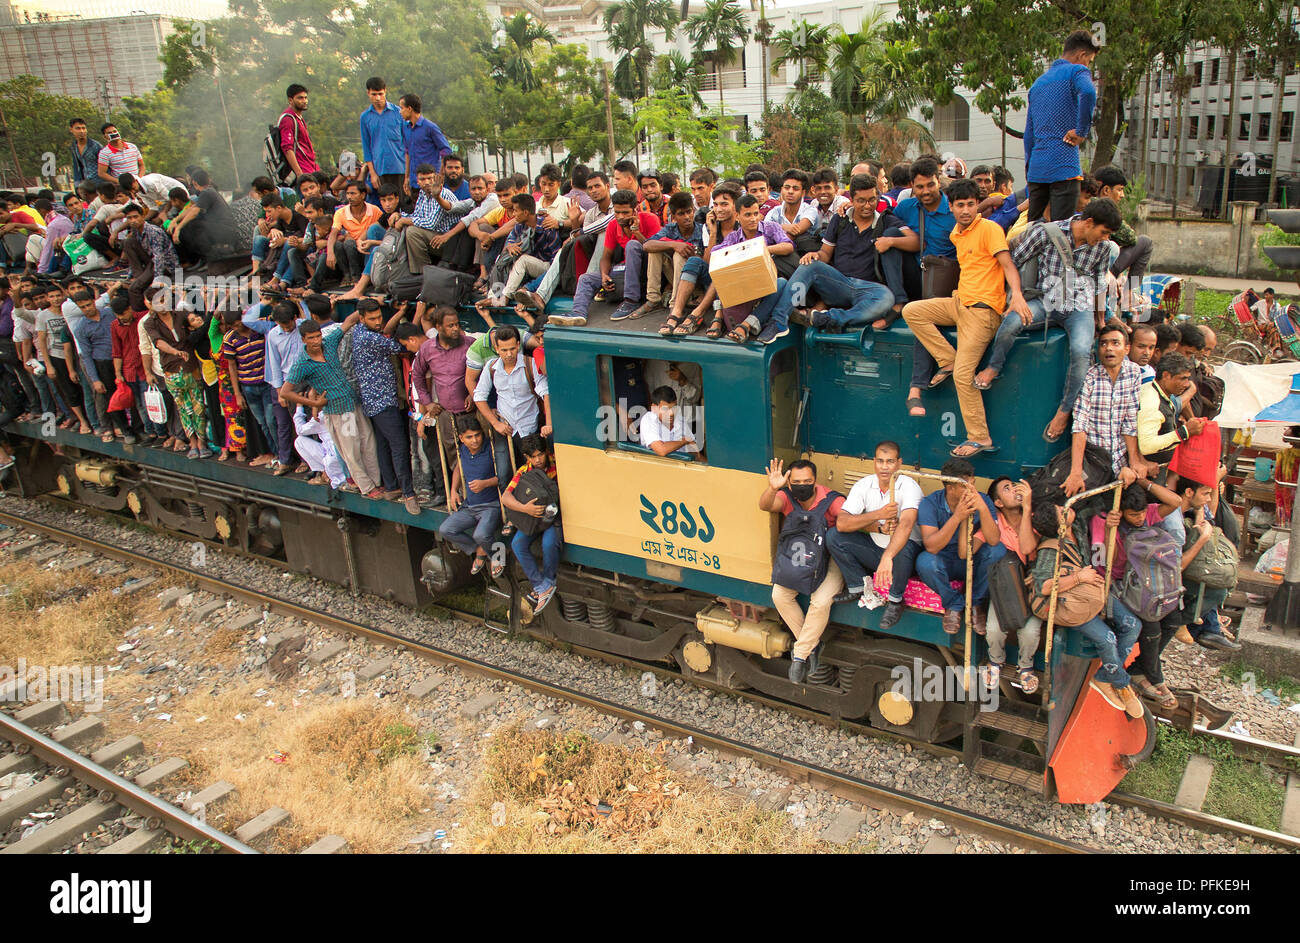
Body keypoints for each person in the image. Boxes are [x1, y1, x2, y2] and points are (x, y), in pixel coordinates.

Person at [902, 179, 1032, 455]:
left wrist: (1017, 296)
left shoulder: (989, 229)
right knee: (912, 311)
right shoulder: (956, 234)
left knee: (963, 376)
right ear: (951, 207)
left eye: (971, 205)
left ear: (977, 206)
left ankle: (980, 437)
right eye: (960, 205)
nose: (966, 210)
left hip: (983, 312)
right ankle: (946, 360)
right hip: (958, 303)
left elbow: (1007, 264)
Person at [974, 197, 1120, 442]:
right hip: (1045, 302)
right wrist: (1016, 297)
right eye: (1103, 232)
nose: (1105, 239)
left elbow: (1098, 283)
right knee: (1011, 323)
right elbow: (1012, 261)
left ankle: (1064, 411)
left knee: (1082, 350)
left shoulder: (1103, 248)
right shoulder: (1046, 233)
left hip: (1079, 308)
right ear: (1089, 222)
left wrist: (1101, 318)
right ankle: (993, 367)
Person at [1029, 499, 1144, 717]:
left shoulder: (1077, 526)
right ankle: (1121, 684)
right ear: (1060, 526)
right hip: (1074, 603)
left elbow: (1094, 507)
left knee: (1132, 625)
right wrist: (1079, 577)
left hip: (1092, 591)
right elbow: (1042, 586)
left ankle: (1103, 677)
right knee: (1107, 639)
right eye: (1062, 510)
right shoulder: (1050, 549)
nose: (1066, 508)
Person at [768, 173, 902, 337]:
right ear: (851, 200)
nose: (867, 205)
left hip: (868, 288)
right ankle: (778, 321)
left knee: (886, 298)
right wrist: (815, 255)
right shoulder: (840, 219)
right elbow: (825, 253)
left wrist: (891, 241)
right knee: (809, 265)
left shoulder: (886, 220)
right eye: (861, 200)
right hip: (839, 283)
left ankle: (823, 318)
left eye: (872, 200)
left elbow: (915, 241)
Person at [758, 458, 845, 683]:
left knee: (821, 601)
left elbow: (848, 520)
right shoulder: (787, 497)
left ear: (815, 480)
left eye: (807, 481)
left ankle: (800, 656)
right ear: (789, 483)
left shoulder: (832, 500)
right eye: (797, 481)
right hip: (801, 558)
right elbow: (765, 505)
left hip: (830, 560)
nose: (802, 485)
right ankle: (813, 646)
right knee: (779, 594)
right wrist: (772, 488)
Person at [825, 440, 923, 630]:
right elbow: (842, 523)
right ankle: (858, 586)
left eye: (890, 461)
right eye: (880, 461)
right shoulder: (865, 484)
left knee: (905, 549)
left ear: (899, 463)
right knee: (834, 536)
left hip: (903, 557)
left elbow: (907, 524)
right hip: (876, 549)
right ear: (874, 462)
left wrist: (888, 556)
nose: (884, 467)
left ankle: (895, 601)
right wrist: (879, 516)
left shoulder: (909, 486)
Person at [280, 319, 384, 496]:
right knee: (352, 451)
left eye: (318, 336)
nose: (316, 341)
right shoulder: (301, 363)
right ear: (303, 339)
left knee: (368, 443)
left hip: (353, 402)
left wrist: (362, 307)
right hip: (338, 410)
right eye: (311, 338)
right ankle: (367, 487)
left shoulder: (329, 343)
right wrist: (314, 404)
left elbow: (348, 323)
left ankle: (375, 482)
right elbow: (285, 392)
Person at [915, 457, 1005, 635]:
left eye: (973, 483)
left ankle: (975, 603)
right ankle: (954, 605)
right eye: (966, 485)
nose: (972, 489)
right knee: (925, 562)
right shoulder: (930, 504)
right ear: (951, 488)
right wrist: (957, 517)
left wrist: (983, 509)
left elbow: (994, 540)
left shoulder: (983, 499)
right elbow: (931, 546)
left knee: (997, 551)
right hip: (944, 560)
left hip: (972, 559)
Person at [548, 189, 662, 327]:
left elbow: (656, 250)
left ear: (635, 210)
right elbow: (605, 257)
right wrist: (603, 276)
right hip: (626, 272)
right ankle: (578, 313)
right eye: (617, 212)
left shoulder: (650, 219)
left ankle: (631, 301)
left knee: (632, 245)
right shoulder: (613, 225)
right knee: (586, 278)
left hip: (648, 274)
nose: (620, 217)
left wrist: (636, 233)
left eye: (625, 213)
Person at [348, 298, 419, 514]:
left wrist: (400, 312)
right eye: (373, 319)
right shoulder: (370, 338)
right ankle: (408, 493)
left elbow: (385, 331)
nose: (378, 322)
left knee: (383, 443)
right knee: (399, 445)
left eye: (379, 317)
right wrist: (414, 316)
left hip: (372, 400)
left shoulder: (359, 331)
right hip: (383, 399)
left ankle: (391, 486)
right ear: (362, 318)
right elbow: (406, 344)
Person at [1066, 320, 1150, 494]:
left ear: (1126, 349)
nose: (1109, 348)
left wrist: (1134, 460)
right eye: (1103, 344)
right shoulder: (1090, 376)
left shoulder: (1134, 373)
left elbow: (1130, 421)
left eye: (1115, 343)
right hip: (1095, 461)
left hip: (1120, 462)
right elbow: (1080, 426)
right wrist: (1076, 473)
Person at [1024, 31, 1099, 223]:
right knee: (1061, 232)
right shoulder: (1077, 71)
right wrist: (1081, 132)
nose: (1088, 65)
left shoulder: (1038, 84)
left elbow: (1029, 135)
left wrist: (1030, 168)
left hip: (1037, 169)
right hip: (1064, 167)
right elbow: (1089, 92)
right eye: (1089, 61)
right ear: (1081, 55)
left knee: (1033, 230)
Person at [657, 181, 742, 337]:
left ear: (735, 206)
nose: (719, 209)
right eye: (715, 205)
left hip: (735, 280)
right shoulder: (708, 227)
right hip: (713, 277)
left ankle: (699, 314)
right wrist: (714, 233)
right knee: (694, 261)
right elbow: (708, 262)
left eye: (724, 204)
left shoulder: (742, 226)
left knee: (723, 268)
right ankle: (676, 312)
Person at [706, 193, 792, 344]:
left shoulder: (770, 227)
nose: (753, 218)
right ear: (737, 216)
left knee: (782, 283)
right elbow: (715, 254)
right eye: (747, 215)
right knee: (723, 271)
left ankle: (746, 325)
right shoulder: (733, 237)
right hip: (743, 286)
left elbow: (788, 246)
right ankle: (718, 316)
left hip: (765, 283)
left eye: (755, 213)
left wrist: (761, 249)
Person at [982, 477, 1042, 691]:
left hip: (1033, 585)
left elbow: (1028, 548)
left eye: (1015, 486)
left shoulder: (1034, 516)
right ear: (998, 502)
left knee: (1030, 632)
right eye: (1007, 489)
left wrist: (1027, 508)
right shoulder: (995, 521)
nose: (1015, 490)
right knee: (993, 630)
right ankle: (995, 660)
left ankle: (1025, 667)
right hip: (1005, 588)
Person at [473, 324, 551, 481]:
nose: (509, 354)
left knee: (533, 474)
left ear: (518, 345)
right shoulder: (491, 367)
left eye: (512, 349)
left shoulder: (530, 364)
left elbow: (546, 393)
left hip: (530, 427)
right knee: (503, 473)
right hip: (505, 428)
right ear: (496, 348)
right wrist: (495, 423)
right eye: (504, 350)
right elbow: (479, 396)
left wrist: (548, 423)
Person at [143, 291, 212, 459]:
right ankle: (193, 442)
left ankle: (202, 442)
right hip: (171, 369)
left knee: (198, 407)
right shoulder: (150, 323)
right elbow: (158, 343)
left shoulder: (180, 315)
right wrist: (176, 352)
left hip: (191, 367)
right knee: (183, 409)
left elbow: (198, 322)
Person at [501, 434, 561, 613]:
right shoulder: (523, 471)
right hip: (533, 518)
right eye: (533, 457)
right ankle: (541, 586)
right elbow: (505, 497)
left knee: (549, 544)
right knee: (517, 544)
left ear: (546, 452)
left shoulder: (558, 464)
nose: (538, 460)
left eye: (540, 455)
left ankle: (549, 582)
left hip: (554, 518)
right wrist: (524, 508)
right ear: (527, 457)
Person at [623, 191, 704, 320]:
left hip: (696, 281)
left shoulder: (702, 230)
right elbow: (647, 245)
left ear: (693, 210)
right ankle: (653, 299)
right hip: (676, 277)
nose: (687, 217)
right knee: (657, 250)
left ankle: (675, 305)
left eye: (689, 212)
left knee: (679, 255)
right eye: (681, 214)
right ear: (673, 216)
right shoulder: (670, 229)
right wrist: (674, 245)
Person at [440, 413, 503, 575]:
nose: (474, 440)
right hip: (470, 505)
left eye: (477, 435)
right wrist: (454, 490)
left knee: (481, 534)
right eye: (469, 437)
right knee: (446, 529)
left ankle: (498, 556)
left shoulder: (491, 448)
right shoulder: (463, 450)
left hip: (491, 505)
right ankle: (479, 551)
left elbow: (506, 477)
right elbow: (459, 468)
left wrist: (485, 483)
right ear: (461, 438)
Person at [1137, 352, 1204, 465]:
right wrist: (1184, 432)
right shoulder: (1152, 402)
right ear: (1166, 375)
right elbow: (1146, 445)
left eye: (1188, 379)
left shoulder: (1161, 393)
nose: (1187, 384)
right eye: (1183, 378)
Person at [118, 203, 179, 312]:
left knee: (134, 289)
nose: (133, 220)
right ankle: (139, 277)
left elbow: (159, 258)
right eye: (129, 218)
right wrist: (131, 275)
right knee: (128, 242)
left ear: (142, 216)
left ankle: (143, 314)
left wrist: (157, 280)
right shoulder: (135, 231)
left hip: (165, 265)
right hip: (150, 262)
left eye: (135, 217)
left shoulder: (153, 232)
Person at [169, 169, 237, 266]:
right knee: (191, 225)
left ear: (194, 183)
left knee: (193, 224)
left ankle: (210, 258)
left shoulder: (207, 193)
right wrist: (175, 220)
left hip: (225, 230)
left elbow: (194, 212)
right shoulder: (205, 192)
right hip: (221, 228)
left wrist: (178, 228)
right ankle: (201, 258)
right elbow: (191, 209)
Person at [359, 77, 406, 202]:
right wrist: (372, 173)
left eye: (380, 94)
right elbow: (366, 147)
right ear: (368, 93)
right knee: (386, 206)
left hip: (400, 167)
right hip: (379, 169)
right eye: (374, 94)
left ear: (385, 91)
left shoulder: (398, 112)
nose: (378, 98)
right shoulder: (365, 117)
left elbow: (407, 142)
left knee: (403, 203)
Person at [639, 385, 698, 458]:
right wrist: (684, 441)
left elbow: (695, 453)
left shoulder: (679, 419)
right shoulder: (648, 419)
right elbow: (661, 450)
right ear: (654, 408)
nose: (671, 413)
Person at [278, 84, 319, 180]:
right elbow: (287, 149)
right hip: (303, 171)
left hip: (310, 167)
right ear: (290, 100)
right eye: (300, 98)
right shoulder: (288, 119)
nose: (304, 101)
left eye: (305, 98)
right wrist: (299, 174)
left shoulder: (298, 118)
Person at [68, 118, 103, 186]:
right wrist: (77, 185)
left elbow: (106, 165)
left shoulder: (95, 146)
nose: (81, 131)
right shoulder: (74, 147)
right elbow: (76, 167)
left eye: (83, 128)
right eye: (78, 128)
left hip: (100, 184)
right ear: (71, 130)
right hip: (87, 185)